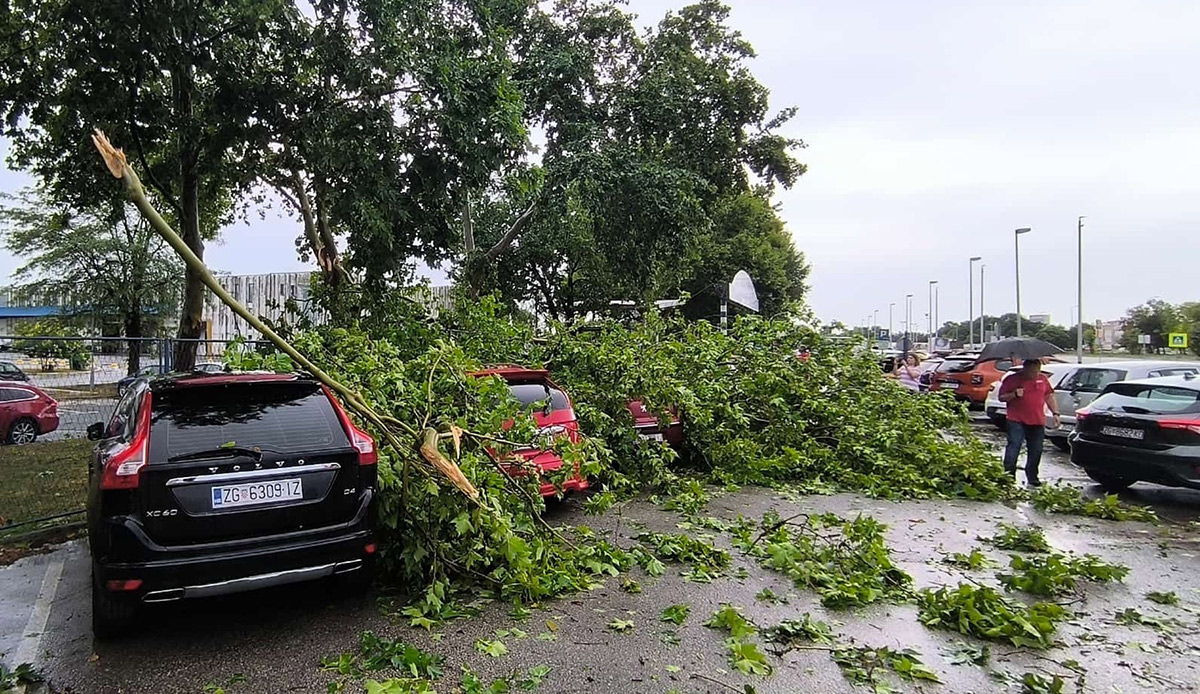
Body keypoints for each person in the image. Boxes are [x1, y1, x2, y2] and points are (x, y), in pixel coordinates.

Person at [998, 359, 1061, 486]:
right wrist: (1014, 394)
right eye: (1031, 371)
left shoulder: (1042, 379)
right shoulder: (1012, 379)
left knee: (1036, 450)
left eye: (1036, 371)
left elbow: (1049, 396)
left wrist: (1055, 413)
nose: (1034, 374)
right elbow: (1001, 397)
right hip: (1016, 419)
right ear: (1024, 369)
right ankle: (1008, 477)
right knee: (1014, 447)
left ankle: (1032, 477)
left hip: (1037, 420)